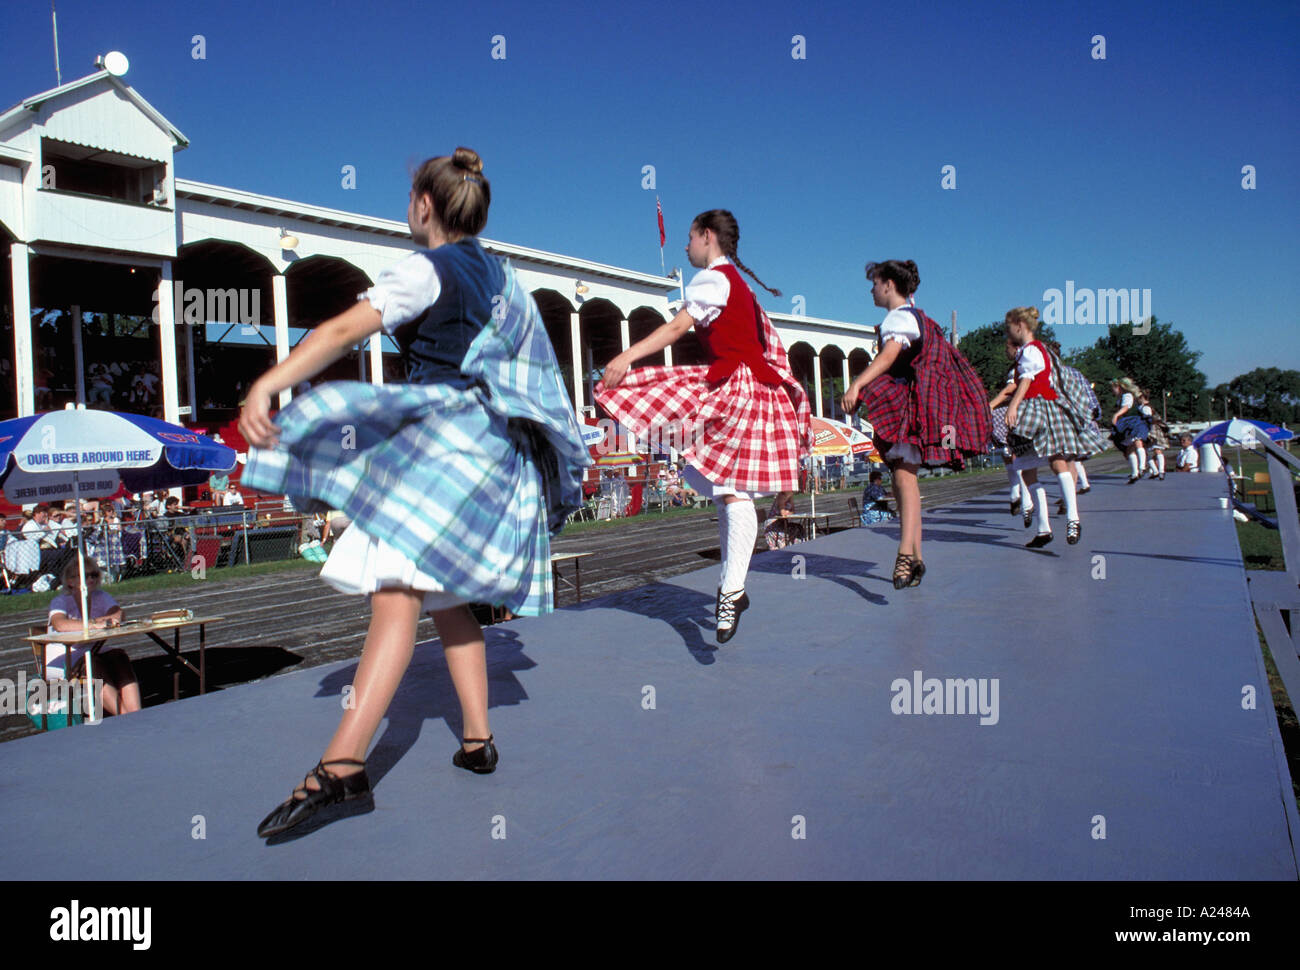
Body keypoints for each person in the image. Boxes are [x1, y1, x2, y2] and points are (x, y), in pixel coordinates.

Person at [239, 147, 588, 839]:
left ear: (424, 205)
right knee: (449, 598)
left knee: (395, 591)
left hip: (442, 445)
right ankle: (478, 739)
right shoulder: (503, 278)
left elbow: (342, 330)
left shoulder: (425, 270)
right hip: (488, 450)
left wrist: (268, 383)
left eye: (408, 199)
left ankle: (343, 767)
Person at [597, 209, 812, 643]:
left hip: (738, 388)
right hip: (753, 387)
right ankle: (731, 584)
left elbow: (677, 327)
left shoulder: (714, 279)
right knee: (723, 487)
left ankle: (731, 589)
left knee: (732, 489)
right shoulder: (741, 286)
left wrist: (626, 357)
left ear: (707, 237)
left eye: (690, 238)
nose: (685, 246)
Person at [841, 260, 989, 586]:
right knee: (902, 480)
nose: (872, 290)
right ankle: (917, 556)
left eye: (875, 283)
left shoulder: (900, 318)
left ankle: (905, 554)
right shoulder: (921, 318)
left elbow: (889, 355)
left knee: (904, 480)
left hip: (910, 409)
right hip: (919, 407)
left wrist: (857, 384)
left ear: (889, 285)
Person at [1003, 307, 1106, 547]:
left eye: (1009, 328)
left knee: (1049, 461)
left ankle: (1069, 519)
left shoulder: (1030, 350)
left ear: (1019, 325)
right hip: (1047, 406)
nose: (1008, 333)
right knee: (1034, 465)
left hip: (1038, 408)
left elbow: (1027, 380)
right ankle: (1046, 527)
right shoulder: (1042, 349)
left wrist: (1013, 406)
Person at [45, 557, 141, 716]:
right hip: (61, 657)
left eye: (94, 575)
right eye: (85, 575)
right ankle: (125, 715)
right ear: (70, 581)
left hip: (90, 650)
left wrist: (99, 621)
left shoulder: (101, 596)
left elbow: (117, 614)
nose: (90, 579)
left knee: (119, 656)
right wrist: (93, 624)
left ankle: (136, 713)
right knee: (93, 665)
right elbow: (60, 624)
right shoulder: (60, 601)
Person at [1109, 378, 1149, 483]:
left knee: (1137, 442)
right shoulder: (1120, 398)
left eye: (1113, 388)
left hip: (1133, 421)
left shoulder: (1127, 396)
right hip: (1126, 423)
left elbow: (1126, 408)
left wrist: (1116, 415)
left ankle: (1142, 467)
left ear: (1119, 387)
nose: (1112, 391)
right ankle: (1135, 473)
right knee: (1129, 448)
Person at [1140, 395, 1169, 479]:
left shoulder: (1145, 408)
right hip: (1153, 428)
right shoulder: (1146, 407)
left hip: (1152, 429)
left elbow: (1149, 419)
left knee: (1156, 450)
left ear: (1143, 398)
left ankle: (1160, 471)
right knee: (1148, 451)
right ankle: (1158, 471)